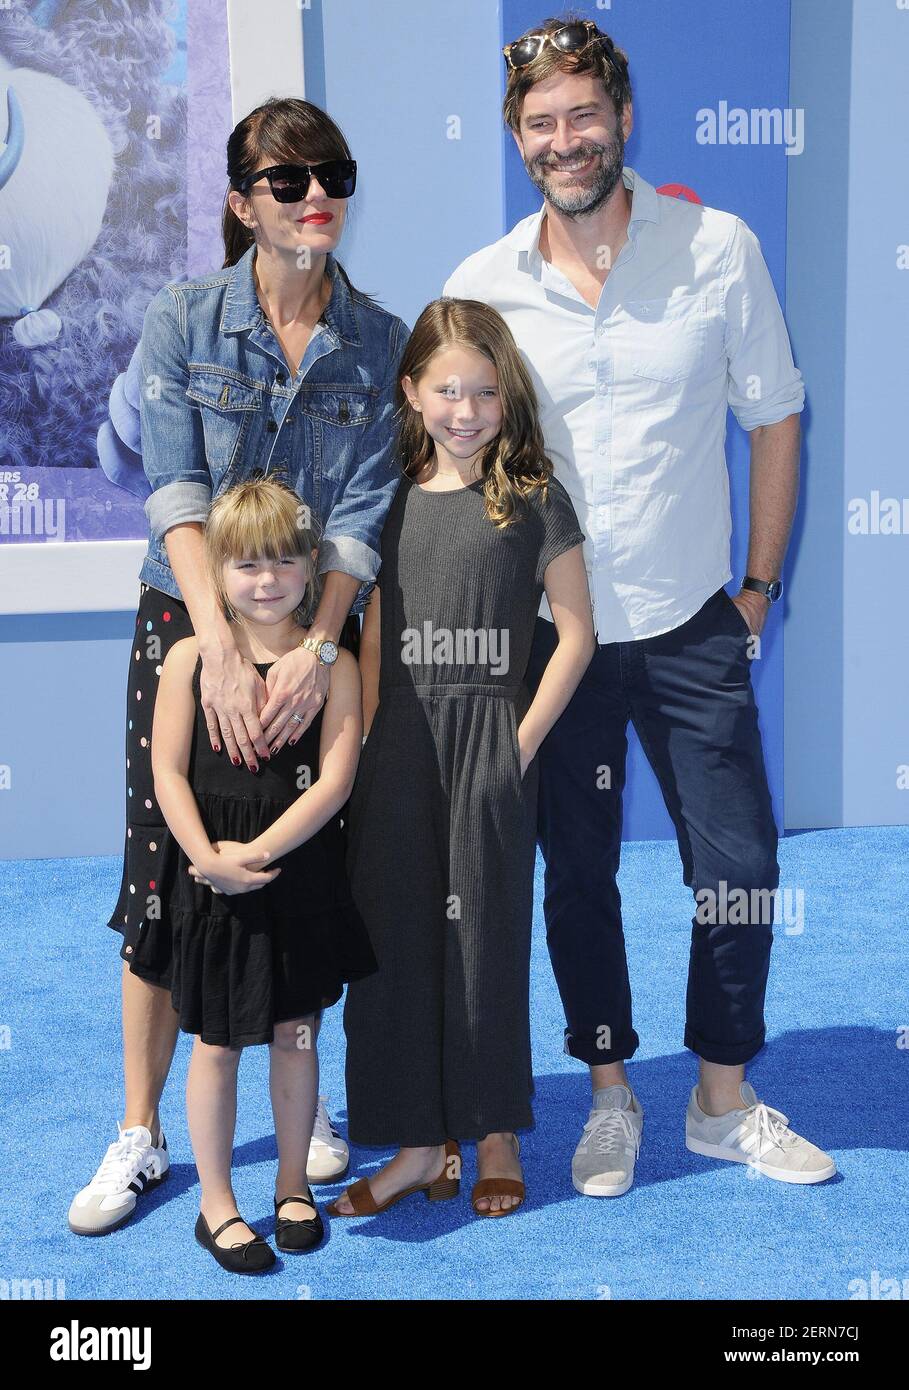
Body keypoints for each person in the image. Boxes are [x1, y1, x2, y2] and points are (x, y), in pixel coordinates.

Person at [442, 14, 836, 1193]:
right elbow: (454, 461)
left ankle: (721, 1092)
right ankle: (609, 1088)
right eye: (542, 122)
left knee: (742, 864)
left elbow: (776, 415)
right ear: (520, 139)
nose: (567, 140)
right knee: (578, 870)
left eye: (584, 115)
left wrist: (758, 589)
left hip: (691, 625)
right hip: (551, 644)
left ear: (622, 118)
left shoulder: (718, 248)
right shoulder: (482, 287)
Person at [69, 96, 408, 1238]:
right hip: (189, 621)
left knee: (314, 862)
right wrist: (215, 641)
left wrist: (316, 647)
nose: (316, 197)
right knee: (163, 876)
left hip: (319, 631)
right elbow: (172, 486)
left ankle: (309, 1116)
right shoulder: (183, 317)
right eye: (287, 180)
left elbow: (363, 513)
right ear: (242, 201)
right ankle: (142, 1128)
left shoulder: (382, 340)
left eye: (334, 174)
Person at [328, 297, 596, 1221]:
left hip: (490, 739)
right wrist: (357, 748)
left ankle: (492, 1134)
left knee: (484, 939)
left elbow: (576, 637)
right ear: (411, 392)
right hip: (394, 745)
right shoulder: (385, 500)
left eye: (484, 391)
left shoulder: (533, 498)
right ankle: (414, 1148)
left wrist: (517, 745)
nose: (466, 410)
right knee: (395, 941)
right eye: (446, 390)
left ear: (507, 396)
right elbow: (367, 641)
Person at [129, 476, 377, 1272]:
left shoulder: (332, 664)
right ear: (215, 575)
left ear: (311, 565)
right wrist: (205, 858)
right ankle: (216, 1203)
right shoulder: (188, 660)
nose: (266, 581)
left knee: (296, 1035)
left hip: (296, 877)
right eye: (245, 566)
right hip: (208, 882)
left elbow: (336, 781)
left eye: (282, 563)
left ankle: (292, 1183)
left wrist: (261, 853)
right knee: (217, 1044)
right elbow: (165, 772)